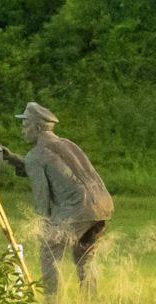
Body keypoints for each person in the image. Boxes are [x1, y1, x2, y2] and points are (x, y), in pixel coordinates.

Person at [21, 101, 112, 299]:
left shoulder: (35, 156)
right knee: (84, 257)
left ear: (37, 127)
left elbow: (41, 201)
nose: (22, 129)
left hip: (77, 207)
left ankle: (51, 300)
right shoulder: (66, 144)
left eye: (25, 123)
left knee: (48, 251)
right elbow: (53, 168)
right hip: (101, 206)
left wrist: (42, 226)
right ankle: (91, 300)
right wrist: (14, 160)